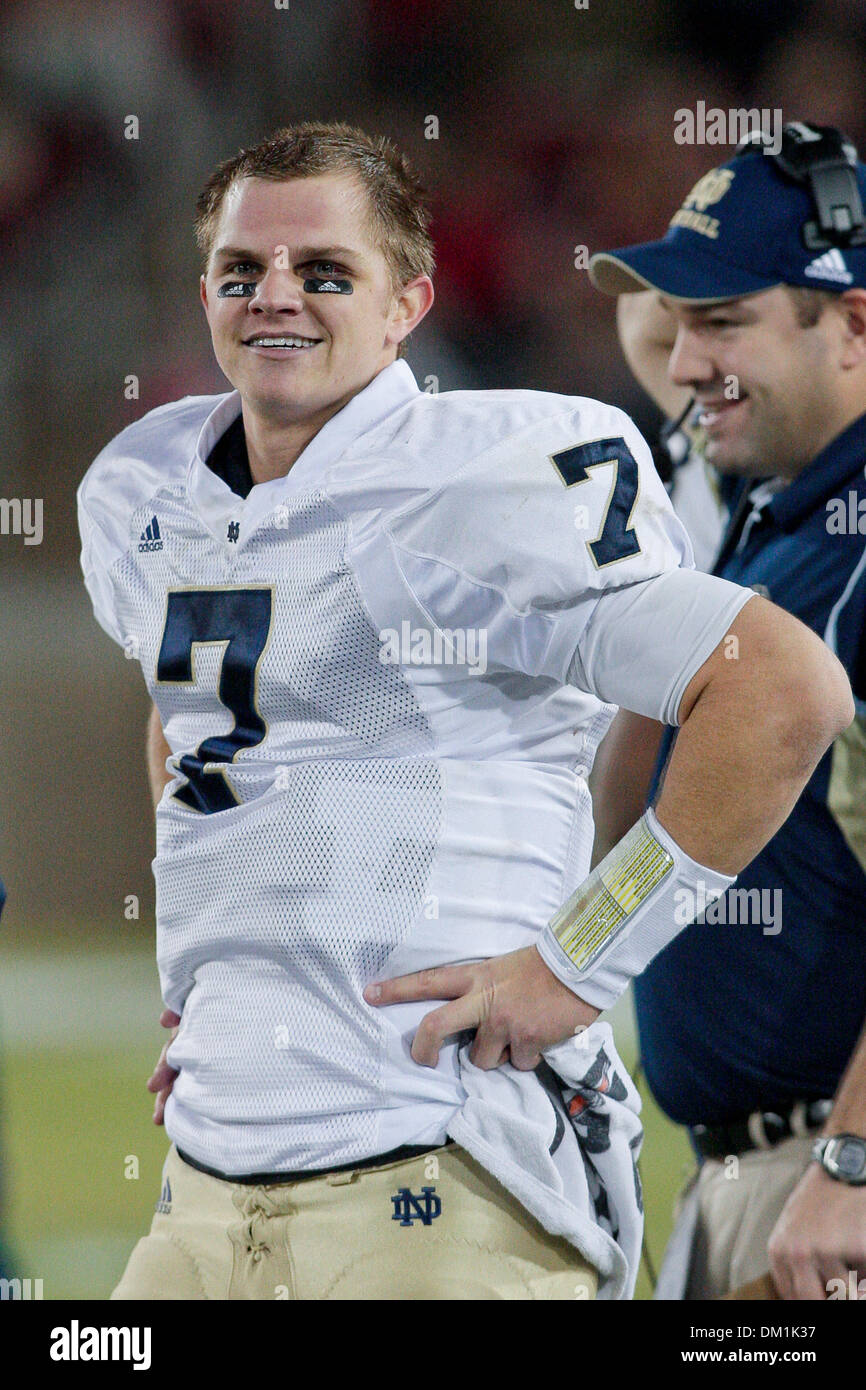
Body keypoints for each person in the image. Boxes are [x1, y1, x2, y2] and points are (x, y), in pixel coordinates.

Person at [79, 122, 850, 1301]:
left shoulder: (484, 475)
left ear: (407, 305)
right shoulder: (145, 487)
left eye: (324, 273)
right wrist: (213, 973)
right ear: (205, 292)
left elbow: (778, 687)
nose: (275, 295)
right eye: (242, 271)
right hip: (209, 1176)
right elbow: (187, 710)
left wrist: (577, 957)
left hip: (438, 1165)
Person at [579, 123, 866, 1300]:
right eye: (678, 320)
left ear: (853, 324)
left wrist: (851, 1160)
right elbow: (649, 328)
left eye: (722, 319)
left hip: (823, 1187)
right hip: (750, 1182)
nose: (681, 361)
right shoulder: (779, 511)